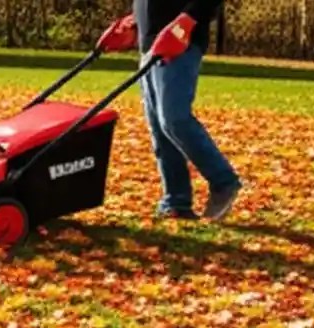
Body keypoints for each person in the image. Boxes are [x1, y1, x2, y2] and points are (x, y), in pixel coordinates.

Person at [98, 2, 242, 220]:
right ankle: (176, 201)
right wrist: (135, 23)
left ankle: (223, 181)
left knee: (174, 119)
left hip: (179, 41)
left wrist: (187, 20)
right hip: (151, 45)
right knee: (158, 127)